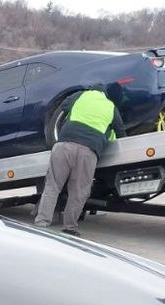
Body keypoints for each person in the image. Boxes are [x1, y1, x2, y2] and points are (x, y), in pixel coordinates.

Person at [34, 85, 126, 236]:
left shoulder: (80, 95)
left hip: (63, 146)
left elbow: (62, 107)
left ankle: (41, 223)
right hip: (87, 151)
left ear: (91, 90)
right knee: (79, 192)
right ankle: (69, 227)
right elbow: (120, 131)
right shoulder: (110, 106)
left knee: (52, 187)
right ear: (104, 94)